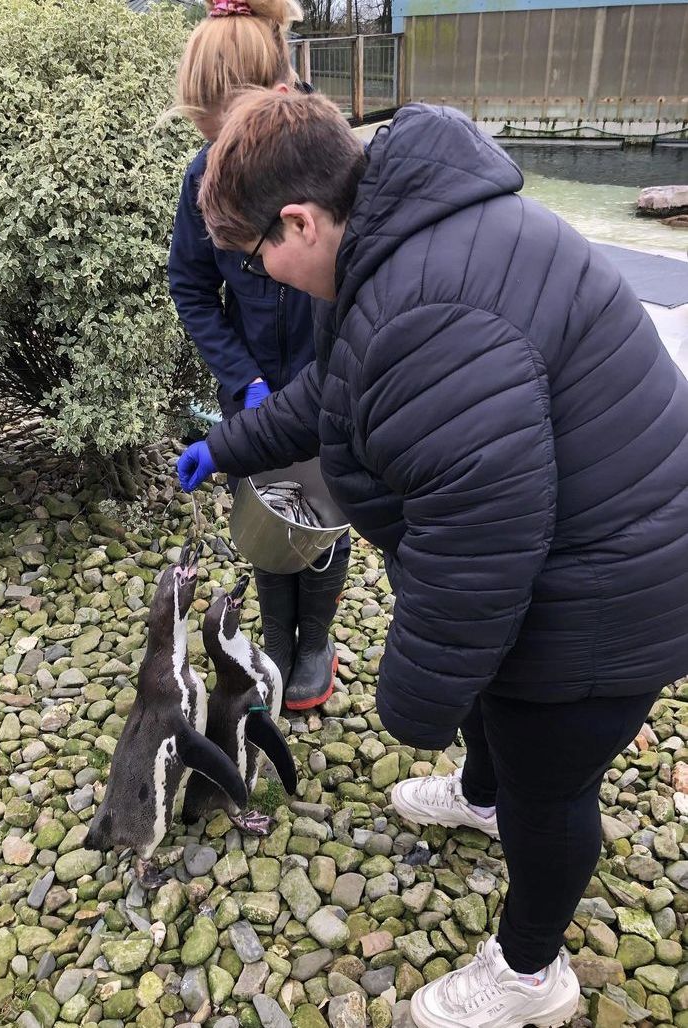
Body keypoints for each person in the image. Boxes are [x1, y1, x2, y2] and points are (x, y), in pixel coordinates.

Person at [176, 89, 688, 1028]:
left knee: (553, 785)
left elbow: (478, 553)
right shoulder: (404, 230)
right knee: (503, 699)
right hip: (588, 528)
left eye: (257, 257)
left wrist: (411, 702)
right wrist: (237, 443)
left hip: (617, 584)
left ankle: (533, 973)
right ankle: (480, 796)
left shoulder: (427, 310)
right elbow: (340, 383)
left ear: (299, 218)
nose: (265, 276)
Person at [168, 0, 348, 711]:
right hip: (255, 386)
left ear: (273, 102)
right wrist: (241, 380)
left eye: (227, 138)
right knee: (264, 505)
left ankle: (316, 641)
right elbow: (189, 281)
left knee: (329, 506)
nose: (220, 160)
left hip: (332, 380)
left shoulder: (336, 165)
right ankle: (277, 635)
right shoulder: (201, 177)